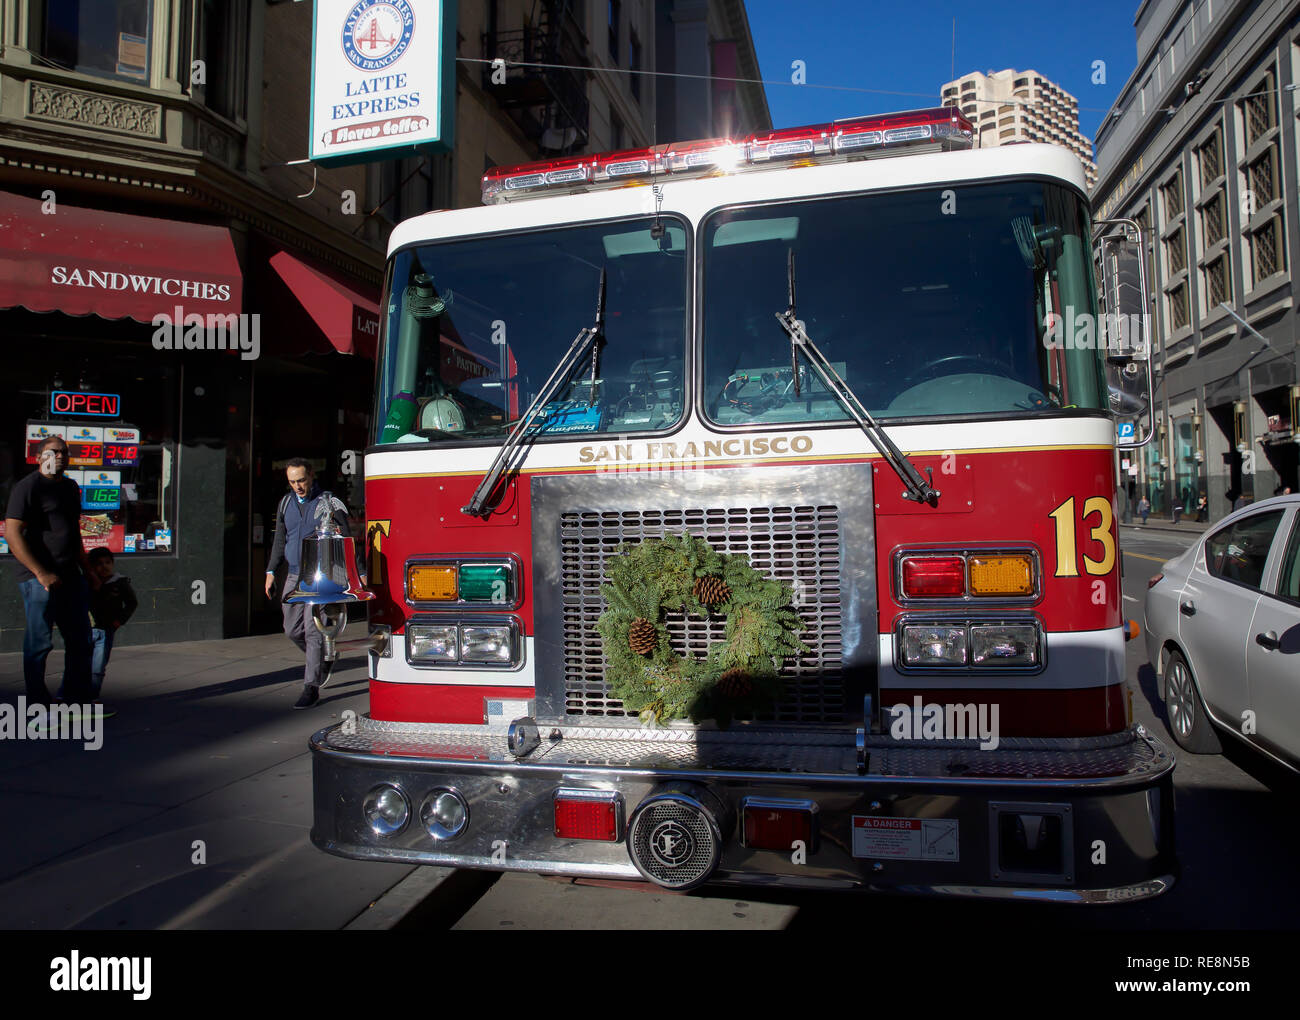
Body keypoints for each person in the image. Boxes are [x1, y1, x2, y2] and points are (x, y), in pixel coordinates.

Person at [4, 436, 98, 708]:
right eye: (53, 452)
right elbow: (12, 533)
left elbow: (73, 534)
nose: (60, 456)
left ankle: (74, 698)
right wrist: (40, 572)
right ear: (38, 457)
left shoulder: (70, 487)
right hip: (38, 580)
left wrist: (88, 570)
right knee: (39, 644)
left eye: (64, 452)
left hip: (70, 576)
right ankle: (37, 704)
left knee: (81, 641)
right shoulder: (27, 487)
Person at [265, 459, 358, 709]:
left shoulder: (327, 502)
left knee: (313, 630)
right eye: (293, 482)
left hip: (319, 574)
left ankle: (311, 687)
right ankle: (322, 660)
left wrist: (357, 572)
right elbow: (280, 539)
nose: (298, 486)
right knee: (292, 630)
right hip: (294, 574)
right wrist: (271, 570)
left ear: (311, 476)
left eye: (301, 480)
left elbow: (345, 537)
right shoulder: (285, 503)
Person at [72, 547, 136, 716]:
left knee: (98, 666)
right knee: (79, 664)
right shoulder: (86, 582)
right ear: (91, 567)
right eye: (99, 564)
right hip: (86, 629)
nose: (104, 567)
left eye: (108, 563)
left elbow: (131, 603)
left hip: (106, 630)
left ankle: (92, 697)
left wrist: (119, 621)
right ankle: (73, 696)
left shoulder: (120, 582)